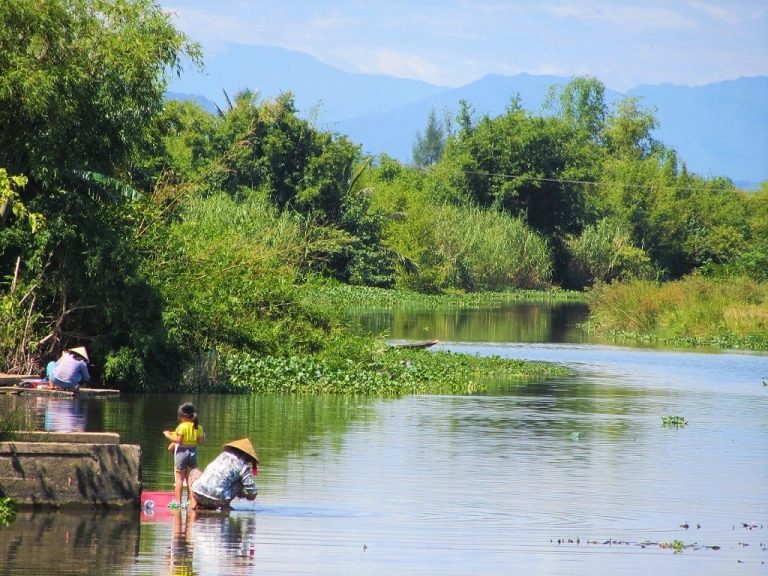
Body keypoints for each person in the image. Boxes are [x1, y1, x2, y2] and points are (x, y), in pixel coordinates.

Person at [188, 438, 259, 510]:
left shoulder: (223, 455)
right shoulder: (243, 467)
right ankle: (225, 506)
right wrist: (245, 496)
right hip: (218, 501)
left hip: (197, 494)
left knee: (193, 472)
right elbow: (253, 493)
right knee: (240, 482)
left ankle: (193, 502)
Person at [163, 402, 205, 508]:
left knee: (179, 478)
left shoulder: (181, 427)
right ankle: (190, 501)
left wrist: (168, 435)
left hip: (182, 452)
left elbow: (179, 441)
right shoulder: (198, 427)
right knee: (190, 478)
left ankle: (177, 502)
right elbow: (200, 441)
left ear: (183, 416)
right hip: (193, 452)